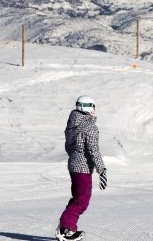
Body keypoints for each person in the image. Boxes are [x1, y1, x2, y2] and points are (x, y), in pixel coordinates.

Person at [57, 95, 107, 241]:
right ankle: (66, 229)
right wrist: (102, 170)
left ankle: (66, 227)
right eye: (94, 106)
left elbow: (68, 146)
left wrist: (75, 157)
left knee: (77, 198)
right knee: (82, 201)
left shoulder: (72, 124)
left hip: (73, 166)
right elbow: (94, 150)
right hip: (83, 168)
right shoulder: (90, 127)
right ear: (89, 108)